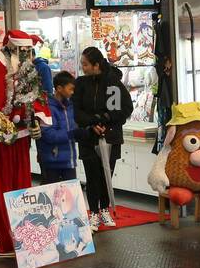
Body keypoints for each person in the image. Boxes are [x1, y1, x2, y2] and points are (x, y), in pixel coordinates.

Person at [73, 46, 132, 230]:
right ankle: (94, 213)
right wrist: (92, 123)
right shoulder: (80, 84)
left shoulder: (113, 82)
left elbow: (125, 108)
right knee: (92, 176)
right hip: (88, 137)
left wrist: (106, 120)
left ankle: (105, 209)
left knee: (107, 175)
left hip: (110, 136)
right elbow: (75, 110)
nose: (82, 67)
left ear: (96, 65)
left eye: (85, 64)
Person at [35, 71, 83, 187]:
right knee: (54, 200)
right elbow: (48, 135)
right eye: (70, 89)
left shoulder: (70, 106)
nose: (72, 92)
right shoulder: (47, 108)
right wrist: (72, 134)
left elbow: (72, 128)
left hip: (69, 161)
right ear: (59, 88)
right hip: (52, 162)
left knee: (71, 200)